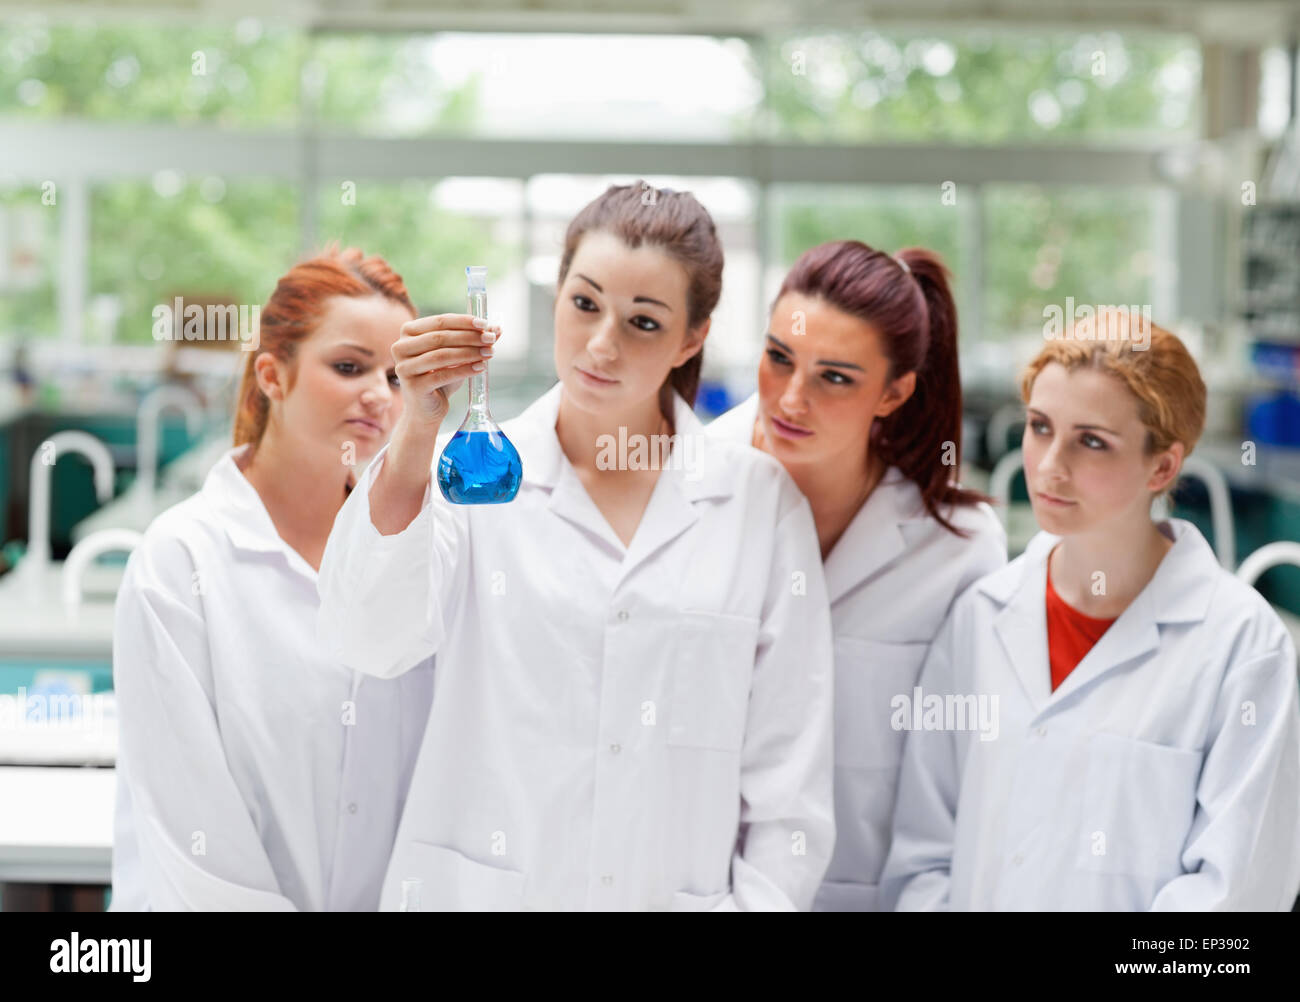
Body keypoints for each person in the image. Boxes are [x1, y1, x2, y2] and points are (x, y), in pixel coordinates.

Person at [315, 182, 835, 911]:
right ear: (555, 295)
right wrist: (414, 432)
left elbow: (790, 793)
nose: (601, 344)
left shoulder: (757, 503)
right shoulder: (470, 480)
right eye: (584, 303)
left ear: (692, 338)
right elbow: (368, 640)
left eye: (643, 322)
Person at [881, 308, 1300, 910]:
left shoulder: (1241, 645)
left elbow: (1235, 899)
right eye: (1040, 427)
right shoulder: (980, 615)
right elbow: (923, 856)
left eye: (1092, 442)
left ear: (1163, 466)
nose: (1050, 466)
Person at [111, 247, 434, 910]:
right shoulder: (181, 564)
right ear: (272, 375)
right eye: (349, 366)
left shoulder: (422, 557)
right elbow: (198, 848)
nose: (379, 393)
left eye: (400, 378)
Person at [709, 240, 1005, 910]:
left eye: (835, 377)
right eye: (778, 356)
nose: (790, 398)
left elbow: (972, 773)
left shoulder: (957, 550)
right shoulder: (682, 488)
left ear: (894, 391)